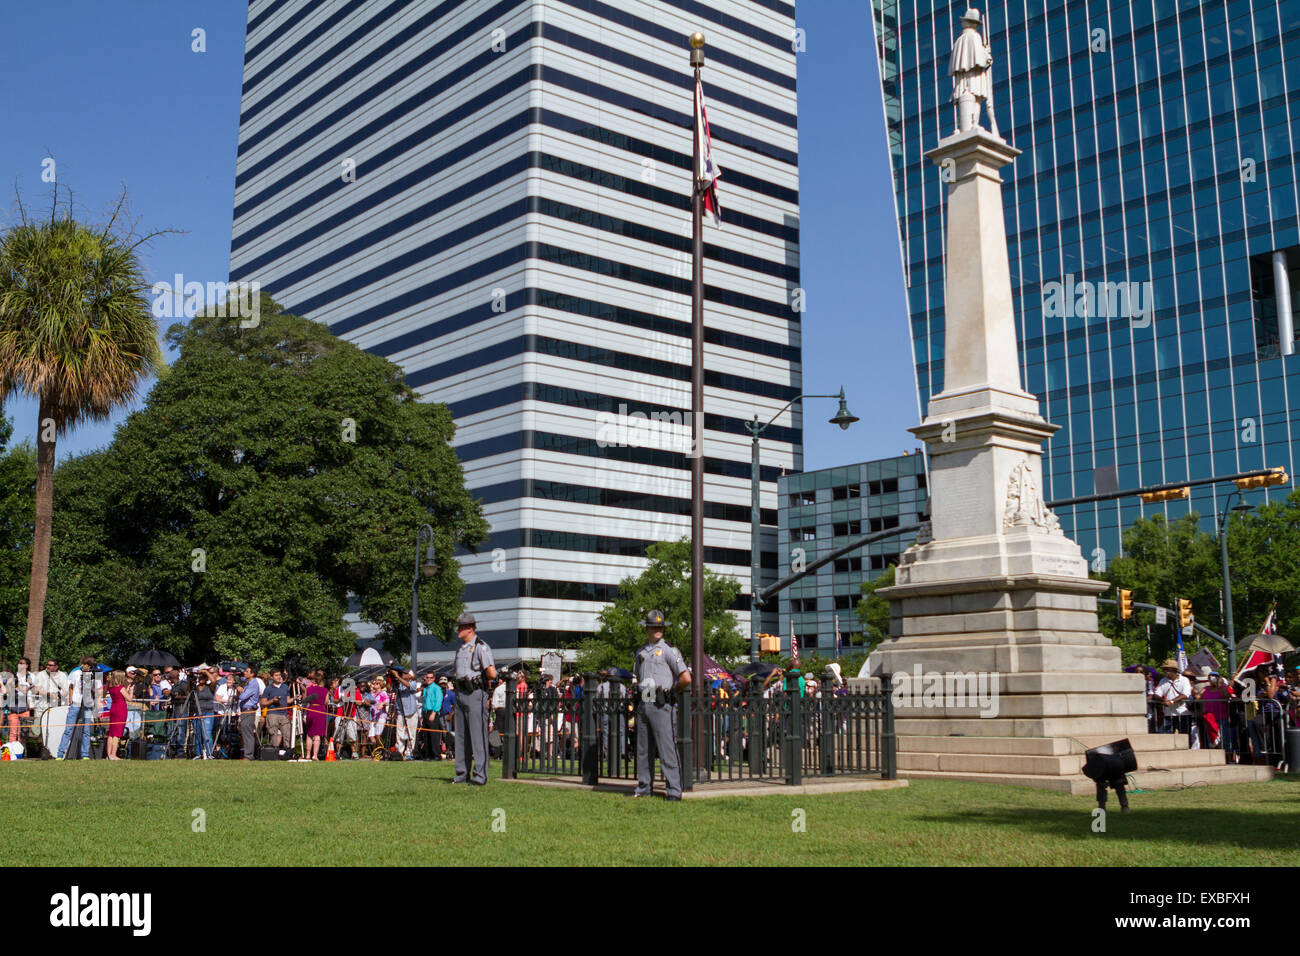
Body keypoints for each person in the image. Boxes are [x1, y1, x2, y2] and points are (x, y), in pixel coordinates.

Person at [632, 610, 691, 801]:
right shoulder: (640, 652)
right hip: (644, 701)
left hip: (661, 703)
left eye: (660, 626)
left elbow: (685, 677)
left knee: (667, 749)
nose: (657, 629)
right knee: (643, 749)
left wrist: (672, 693)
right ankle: (644, 787)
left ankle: (674, 790)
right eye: (654, 626)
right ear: (647, 628)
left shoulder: (669, 650)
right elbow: (639, 677)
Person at [451, 611, 496, 784]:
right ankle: (461, 773)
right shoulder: (461, 648)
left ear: (469, 628)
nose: (458, 630)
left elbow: (491, 673)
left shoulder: (481, 646)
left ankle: (480, 775)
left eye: (461, 627)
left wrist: (479, 679)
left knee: (478, 736)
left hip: (475, 693)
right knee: (461, 737)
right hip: (461, 693)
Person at [57, 657, 103, 760]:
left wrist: (94, 681)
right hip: (76, 703)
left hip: (87, 704)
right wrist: (71, 699)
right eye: (82, 664)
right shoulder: (76, 673)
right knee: (68, 729)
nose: (83, 666)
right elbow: (71, 687)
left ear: (90, 666)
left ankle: (85, 754)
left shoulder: (94, 674)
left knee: (86, 730)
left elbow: (98, 691)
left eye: (85, 664)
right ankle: (60, 754)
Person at [32, 659, 68, 754]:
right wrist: (49, 694)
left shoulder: (62, 675)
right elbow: (37, 689)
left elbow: (66, 690)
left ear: (56, 667)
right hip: (41, 707)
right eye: (47, 664)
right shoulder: (41, 675)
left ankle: (55, 751)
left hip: (56, 708)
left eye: (50, 665)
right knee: (40, 730)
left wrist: (59, 695)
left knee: (54, 729)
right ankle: (44, 751)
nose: (48, 666)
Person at [1154, 660, 1191, 735]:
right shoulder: (1163, 681)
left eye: (1167, 670)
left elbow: (1185, 694)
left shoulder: (1184, 680)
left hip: (1183, 713)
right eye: (1164, 669)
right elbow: (1156, 694)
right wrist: (1163, 700)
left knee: (1185, 737)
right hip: (1168, 714)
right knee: (1167, 736)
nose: (1165, 671)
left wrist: (1171, 701)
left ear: (1174, 670)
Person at [391, 667, 420, 759]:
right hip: (400, 712)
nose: (402, 675)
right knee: (399, 734)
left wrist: (398, 677)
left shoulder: (413, 683)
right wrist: (390, 678)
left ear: (409, 675)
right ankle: (399, 752)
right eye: (401, 674)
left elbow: (408, 686)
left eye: (404, 673)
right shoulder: (398, 684)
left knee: (411, 734)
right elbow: (389, 688)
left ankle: (409, 753)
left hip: (411, 712)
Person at [4, 658, 35, 743]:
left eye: (22, 663)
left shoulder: (30, 676)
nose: (20, 665)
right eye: (19, 663)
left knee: (23, 734)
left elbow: (27, 690)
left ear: (27, 665)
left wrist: (17, 686)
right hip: (13, 707)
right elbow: (7, 689)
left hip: (25, 707)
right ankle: (12, 751)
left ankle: (21, 752)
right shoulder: (14, 675)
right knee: (13, 733)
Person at [300, 672, 328, 760]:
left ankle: (308, 754)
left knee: (309, 734)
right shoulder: (325, 690)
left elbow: (305, 700)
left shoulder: (308, 689)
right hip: (320, 710)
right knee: (317, 735)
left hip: (311, 710)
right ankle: (314, 755)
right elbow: (326, 702)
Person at [261, 670, 292, 749]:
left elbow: (288, 701)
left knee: (287, 734)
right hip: (272, 714)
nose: (279, 677)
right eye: (276, 675)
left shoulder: (285, 687)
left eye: (279, 675)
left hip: (284, 714)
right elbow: (263, 702)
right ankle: (273, 752)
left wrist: (295, 698)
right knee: (273, 735)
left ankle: (286, 752)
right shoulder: (268, 688)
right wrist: (272, 701)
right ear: (272, 677)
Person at [237, 665, 261, 759]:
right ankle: (247, 754)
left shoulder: (253, 684)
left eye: (247, 671)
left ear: (252, 674)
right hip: (244, 711)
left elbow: (243, 697)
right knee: (245, 731)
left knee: (248, 733)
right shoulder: (248, 682)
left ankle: (249, 755)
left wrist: (240, 690)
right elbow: (241, 677)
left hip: (249, 711)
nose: (245, 673)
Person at [104, 670, 129, 760]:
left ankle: (109, 754)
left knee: (111, 733)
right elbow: (129, 698)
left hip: (113, 708)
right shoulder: (121, 688)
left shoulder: (111, 687)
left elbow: (104, 693)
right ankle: (113, 754)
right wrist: (131, 690)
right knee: (117, 734)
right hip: (120, 709)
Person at [194, 671, 217, 758]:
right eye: (199, 677)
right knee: (197, 734)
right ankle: (198, 753)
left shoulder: (210, 687)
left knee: (207, 733)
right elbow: (188, 693)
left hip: (208, 712)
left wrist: (205, 672)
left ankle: (209, 753)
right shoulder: (195, 688)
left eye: (203, 677)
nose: (201, 679)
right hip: (197, 712)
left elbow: (214, 681)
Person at [422, 672, 444, 760]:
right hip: (426, 712)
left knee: (434, 734)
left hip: (432, 712)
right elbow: (424, 702)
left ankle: (436, 755)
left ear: (434, 678)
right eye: (427, 677)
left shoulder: (436, 688)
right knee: (426, 735)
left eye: (430, 678)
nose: (428, 679)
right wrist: (422, 715)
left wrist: (434, 713)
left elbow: (439, 701)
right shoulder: (426, 688)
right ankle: (428, 754)